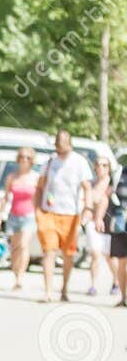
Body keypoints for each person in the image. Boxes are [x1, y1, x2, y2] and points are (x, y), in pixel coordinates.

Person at [35, 129, 93, 302]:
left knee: (68, 254)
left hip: (71, 213)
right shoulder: (50, 161)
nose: (61, 149)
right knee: (49, 251)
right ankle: (48, 292)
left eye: (64, 145)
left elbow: (87, 187)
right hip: (49, 212)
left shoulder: (79, 162)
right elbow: (39, 186)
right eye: (58, 145)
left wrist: (88, 207)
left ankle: (64, 288)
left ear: (69, 143)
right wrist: (37, 209)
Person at [0, 147, 39, 291]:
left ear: (32, 160)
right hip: (13, 215)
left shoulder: (35, 177)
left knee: (23, 245)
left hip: (29, 216)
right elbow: (5, 197)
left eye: (28, 157)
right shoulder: (12, 177)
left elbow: (40, 197)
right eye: (22, 157)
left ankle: (20, 277)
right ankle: (16, 274)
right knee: (15, 248)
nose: (24, 160)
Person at [85, 156, 115, 295]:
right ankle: (93, 285)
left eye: (105, 165)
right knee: (95, 254)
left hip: (109, 224)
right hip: (93, 223)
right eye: (98, 164)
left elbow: (100, 199)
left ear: (109, 168)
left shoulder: (113, 184)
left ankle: (116, 281)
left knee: (110, 257)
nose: (101, 167)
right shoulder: (91, 184)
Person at [108, 160, 127, 307]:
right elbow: (109, 194)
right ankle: (123, 297)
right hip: (121, 222)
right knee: (122, 262)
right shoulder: (120, 173)